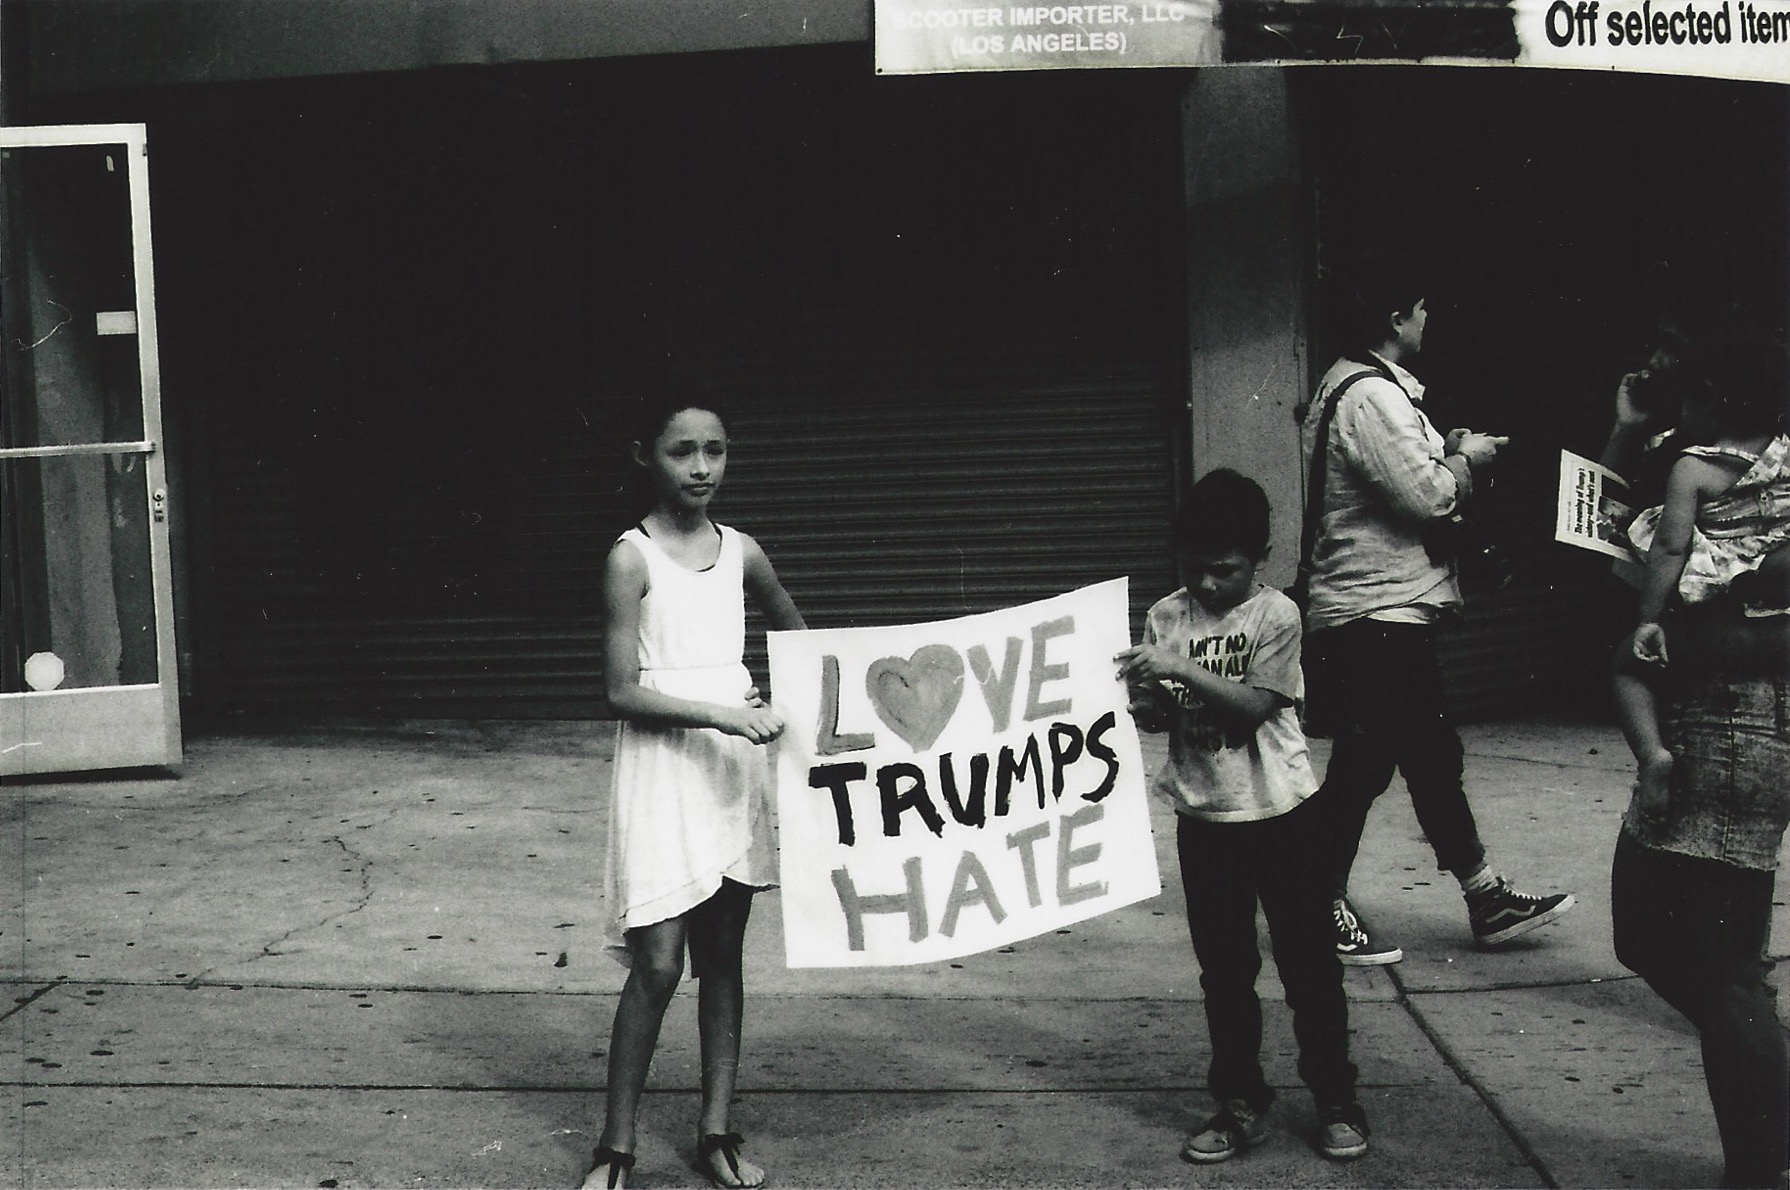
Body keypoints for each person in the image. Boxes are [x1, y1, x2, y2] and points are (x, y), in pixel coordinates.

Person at [1299, 263, 1574, 966]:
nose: (1429, 319)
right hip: (1375, 610)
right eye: (1422, 307)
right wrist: (1467, 458)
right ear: (1394, 317)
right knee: (1367, 763)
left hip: (1388, 608)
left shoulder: (1368, 389)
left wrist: (1448, 453)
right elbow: (1425, 497)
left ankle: (1486, 896)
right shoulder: (1369, 396)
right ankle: (1313, 900)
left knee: (1427, 755)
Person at [1116, 469, 1371, 1166]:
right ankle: (1238, 1100)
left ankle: (1335, 1096)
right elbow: (1165, 711)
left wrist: (1178, 671)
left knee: (1309, 965)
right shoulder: (1168, 616)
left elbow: (1257, 706)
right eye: (1192, 568)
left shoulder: (1276, 616)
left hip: (1282, 814)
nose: (1205, 584)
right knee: (1223, 971)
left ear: (1258, 558)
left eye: (1222, 570)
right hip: (1205, 816)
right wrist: (1147, 701)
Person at [587, 393, 805, 1190]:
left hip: (728, 770)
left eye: (716, 449)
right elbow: (618, 690)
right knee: (656, 961)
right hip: (663, 769)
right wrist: (718, 710)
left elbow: (796, 633)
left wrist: (818, 699)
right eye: (684, 451)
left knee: (723, 957)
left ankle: (717, 1131)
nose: (703, 467)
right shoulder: (630, 557)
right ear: (645, 454)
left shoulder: (742, 550)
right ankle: (616, 1147)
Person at [1602, 324, 1790, 1190]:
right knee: (1656, 938)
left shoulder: (1701, 469)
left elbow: (1662, 557)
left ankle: (1758, 1164)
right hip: (1724, 718)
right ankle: (1759, 1059)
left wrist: (1660, 614)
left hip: (1733, 722)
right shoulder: (1768, 466)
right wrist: (1630, 426)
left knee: (1725, 975)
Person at [1612, 342, 1790, 817]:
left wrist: (1648, 620)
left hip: (1725, 628)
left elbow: (1670, 549)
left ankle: (1653, 757)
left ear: (1709, 398)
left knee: (1625, 666)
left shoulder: (1694, 468)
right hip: (1785, 628)